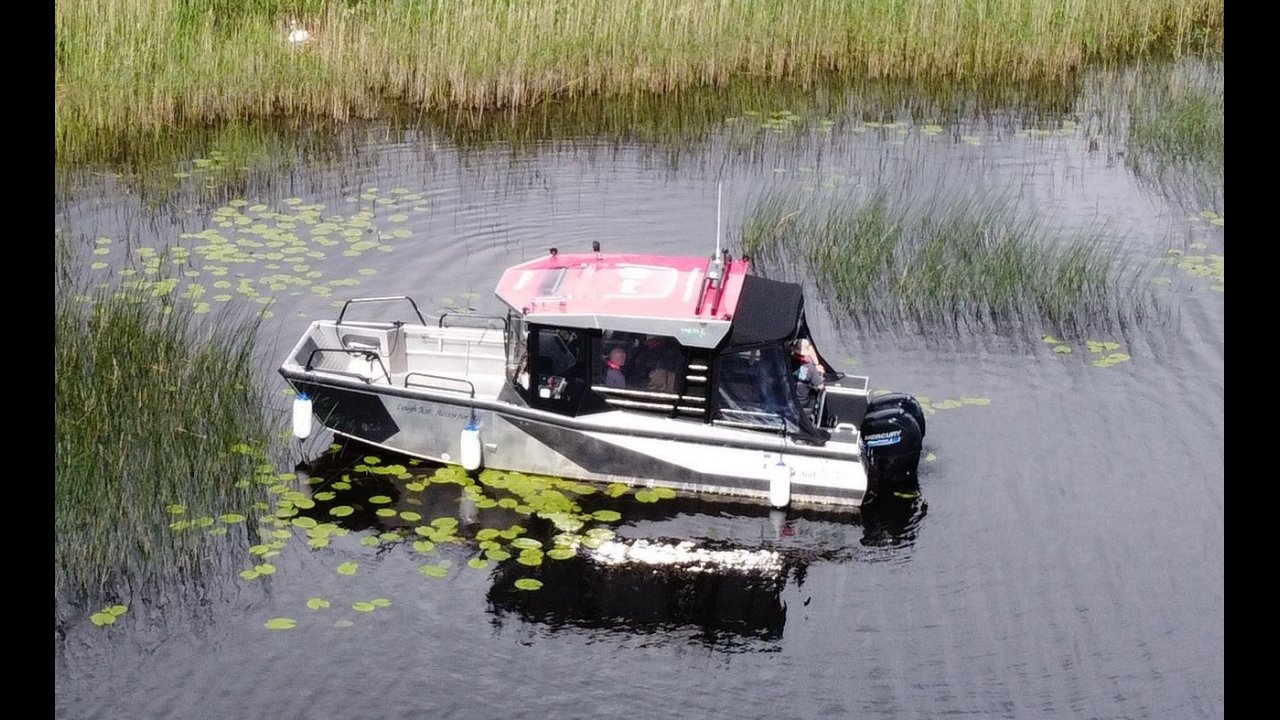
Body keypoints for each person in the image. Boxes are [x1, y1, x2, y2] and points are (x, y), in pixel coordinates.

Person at [791, 339, 825, 416]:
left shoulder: (788, 363)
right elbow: (820, 387)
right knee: (814, 395)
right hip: (802, 403)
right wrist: (821, 377)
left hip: (789, 400)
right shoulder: (811, 368)